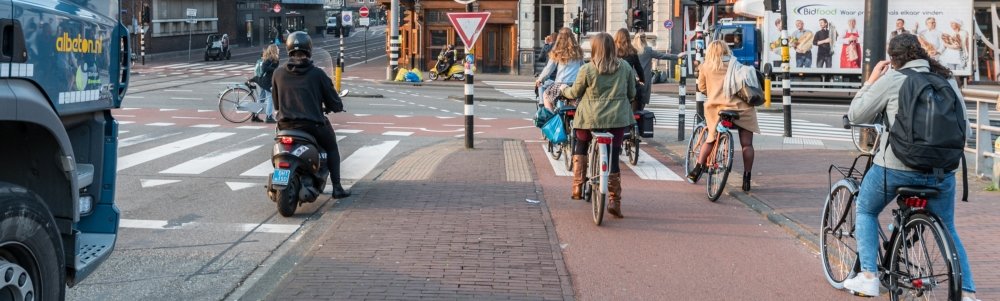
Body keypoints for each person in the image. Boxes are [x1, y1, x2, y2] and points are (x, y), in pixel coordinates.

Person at [843, 33, 978, 301]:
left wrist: (871, 80)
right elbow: (967, 130)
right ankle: (967, 293)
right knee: (948, 228)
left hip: (895, 168)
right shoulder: (947, 79)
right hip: (941, 172)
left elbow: (856, 114)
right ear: (921, 52)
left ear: (893, 59)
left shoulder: (893, 78)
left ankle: (868, 277)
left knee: (866, 209)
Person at [560, 32, 635, 218]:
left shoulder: (587, 69)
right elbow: (632, 93)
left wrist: (563, 90)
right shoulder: (625, 67)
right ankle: (614, 201)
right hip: (617, 119)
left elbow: (575, 92)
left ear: (595, 49)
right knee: (613, 156)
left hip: (590, 118)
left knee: (581, 143)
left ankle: (577, 186)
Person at [271, 31, 351, 199]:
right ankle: (337, 188)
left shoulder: (278, 73)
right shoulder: (317, 74)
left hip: (285, 126)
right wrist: (336, 106)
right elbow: (333, 101)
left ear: (288, 49)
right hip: (312, 125)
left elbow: (276, 104)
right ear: (309, 49)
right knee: (331, 147)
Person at [687, 40, 760, 192]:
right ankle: (747, 179)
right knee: (747, 144)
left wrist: (713, 93)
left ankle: (697, 169)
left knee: (711, 138)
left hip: (717, 109)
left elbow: (702, 88)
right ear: (726, 50)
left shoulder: (705, 66)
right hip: (742, 110)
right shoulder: (735, 63)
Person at [536, 28, 584, 112]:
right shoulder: (578, 51)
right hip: (575, 85)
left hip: (560, 85)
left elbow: (549, 69)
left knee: (546, 95)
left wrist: (540, 79)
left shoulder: (557, 51)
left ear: (559, 38)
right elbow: (583, 67)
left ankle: (551, 117)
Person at [633, 32, 682, 110]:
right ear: (645, 40)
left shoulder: (631, 50)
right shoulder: (648, 50)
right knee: (641, 103)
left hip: (633, 79)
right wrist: (677, 56)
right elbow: (662, 55)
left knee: (632, 101)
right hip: (644, 79)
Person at [613, 29, 645, 112]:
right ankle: (636, 113)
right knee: (638, 94)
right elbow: (639, 68)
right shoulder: (632, 51)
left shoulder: (612, 51)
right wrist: (642, 80)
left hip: (614, 82)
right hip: (629, 81)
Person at [253, 44, 280, 123]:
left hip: (264, 80)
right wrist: (274, 69)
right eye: (277, 48)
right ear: (274, 50)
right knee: (270, 98)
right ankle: (269, 116)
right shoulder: (271, 59)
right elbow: (264, 68)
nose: (279, 49)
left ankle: (255, 115)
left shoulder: (271, 58)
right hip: (267, 81)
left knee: (262, 98)